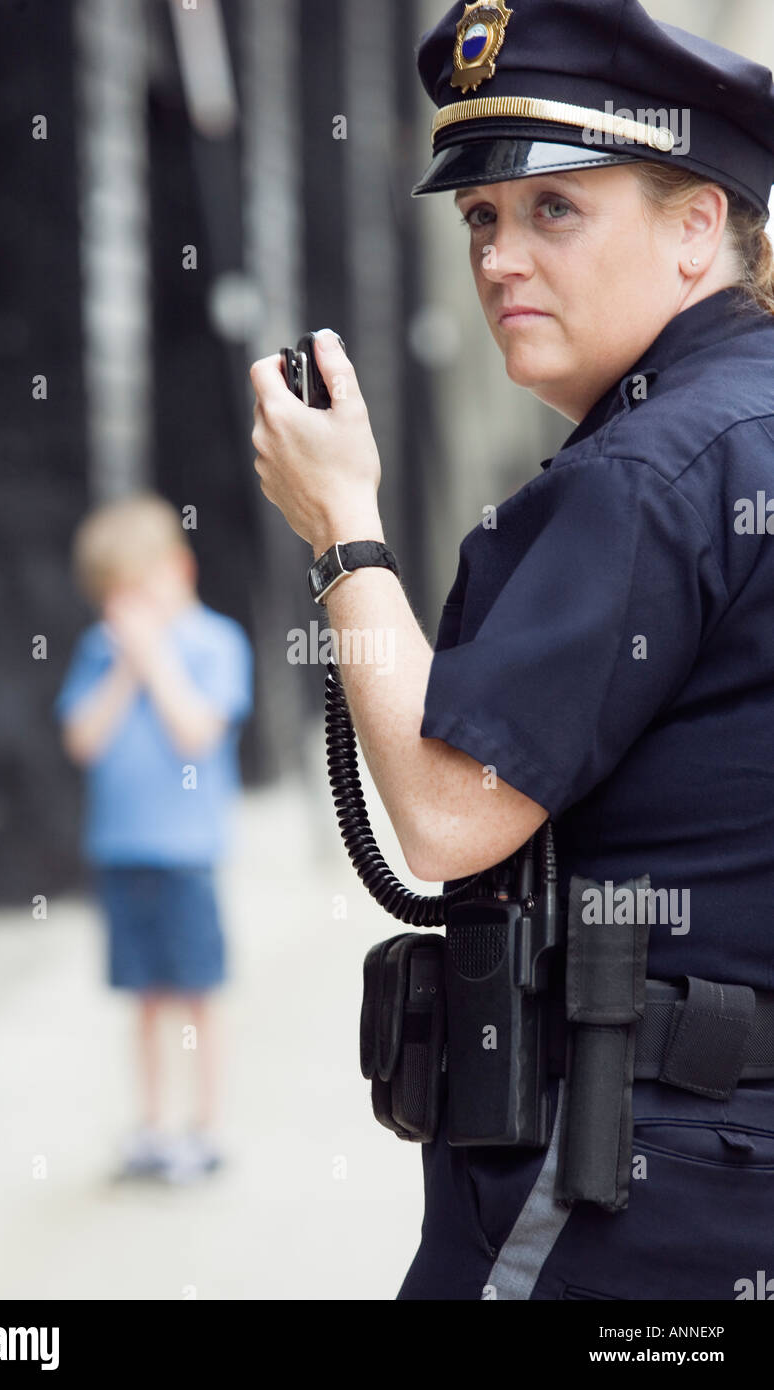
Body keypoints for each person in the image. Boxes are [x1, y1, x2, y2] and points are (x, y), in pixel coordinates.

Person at [249, 0, 774, 1299]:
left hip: (615, 1191)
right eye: (481, 218)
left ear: (696, 225)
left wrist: (343, 532)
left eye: (556, 211)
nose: (497, 258)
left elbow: (439, 817)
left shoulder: (649, 473)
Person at [55, 493, 253, 1183]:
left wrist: (155, 658)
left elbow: (196, 730)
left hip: (188, 854)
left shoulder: (216, 643)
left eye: (142, 591)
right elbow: (82, 739)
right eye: (118, 599)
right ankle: (151, 1124)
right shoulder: (96, 653)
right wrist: (123, 666)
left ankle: (205, 1127)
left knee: (197, 993)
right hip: (121, 850)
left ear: (180, 570)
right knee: (142, 998)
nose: (130, 611)